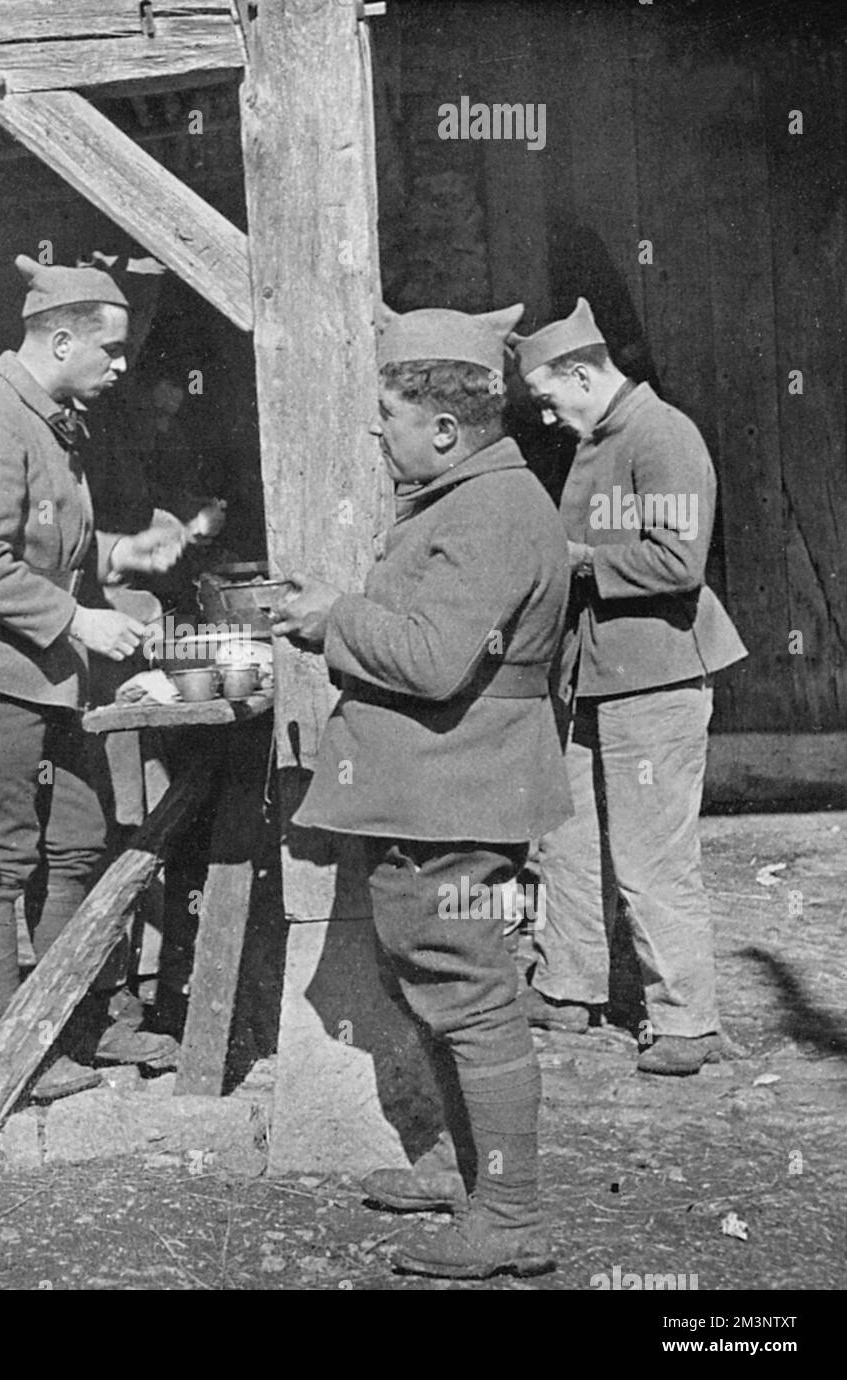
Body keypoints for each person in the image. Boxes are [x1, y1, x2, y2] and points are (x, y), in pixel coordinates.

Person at [273, 303, 572, 1279]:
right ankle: (462, 1169)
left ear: (442, 429)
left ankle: (512, 1215)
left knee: (474, 998)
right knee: (440, 988)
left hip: (459, 792)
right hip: (439, 789)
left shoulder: (487, 510)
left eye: (387, 414)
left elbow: (439, 660)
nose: (376, 431)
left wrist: (334, 617)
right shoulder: (469, 499)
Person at [0, 256, 184, 1100]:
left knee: (75, 841)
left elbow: (49, 539)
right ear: (59, 339)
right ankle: (8, 1040)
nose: (122, 364)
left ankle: (67, 1015)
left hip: (50, 675)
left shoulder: (54, 417)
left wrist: (119, 554)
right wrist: (77, 619)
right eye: (109, 348)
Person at [511, 298, 748, 1075]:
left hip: (657, 677)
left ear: (583, 373)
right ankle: (568, 986)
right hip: (592, 677)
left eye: (550, 397)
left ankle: (686, 1020)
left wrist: (572, 558)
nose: (546, 415)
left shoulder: (662, 434)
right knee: (567, 840)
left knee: (651, 854)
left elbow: (679, 563)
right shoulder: (596, 436)